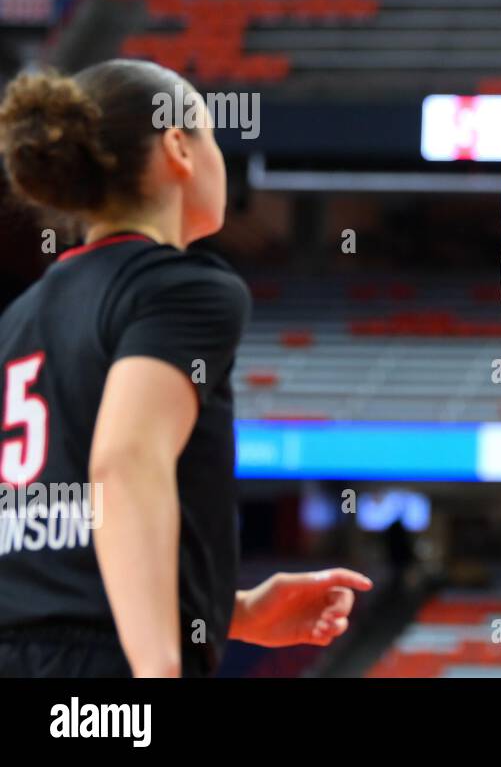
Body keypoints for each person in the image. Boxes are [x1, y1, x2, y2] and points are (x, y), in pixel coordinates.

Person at [0, 60, 371, 677]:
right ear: (178, 147)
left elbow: (61, 560)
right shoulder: (181, 287)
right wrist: (158, 666)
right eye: (212, 136)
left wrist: (229, 611)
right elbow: (124, 464)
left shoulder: (20, 315)